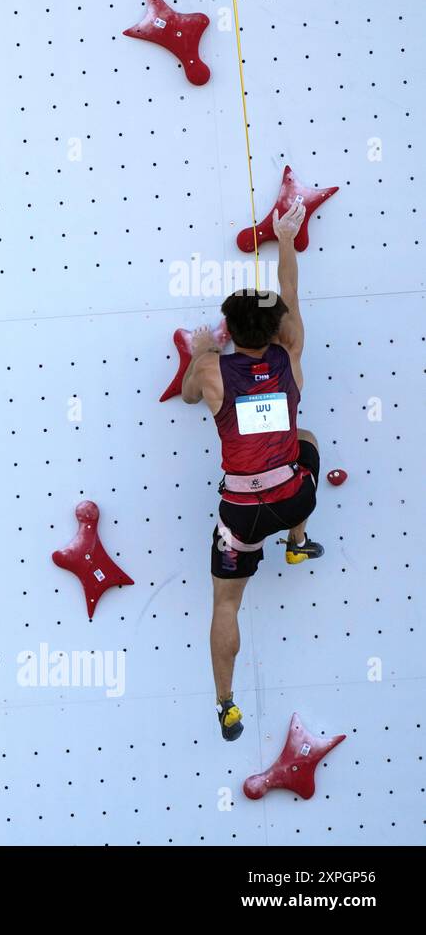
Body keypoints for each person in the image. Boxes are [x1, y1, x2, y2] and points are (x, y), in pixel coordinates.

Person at [180, 201, 324, 741]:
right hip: (292, 499)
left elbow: (194, 395)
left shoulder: (212, 371)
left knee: (224, 603)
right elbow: (290, 297)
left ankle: (227, 704)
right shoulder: (291, 356)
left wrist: (200, 350)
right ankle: (297, 539)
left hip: (241, 516)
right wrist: (286, 239)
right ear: (278, 328)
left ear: (229, 330)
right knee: (306, 442)